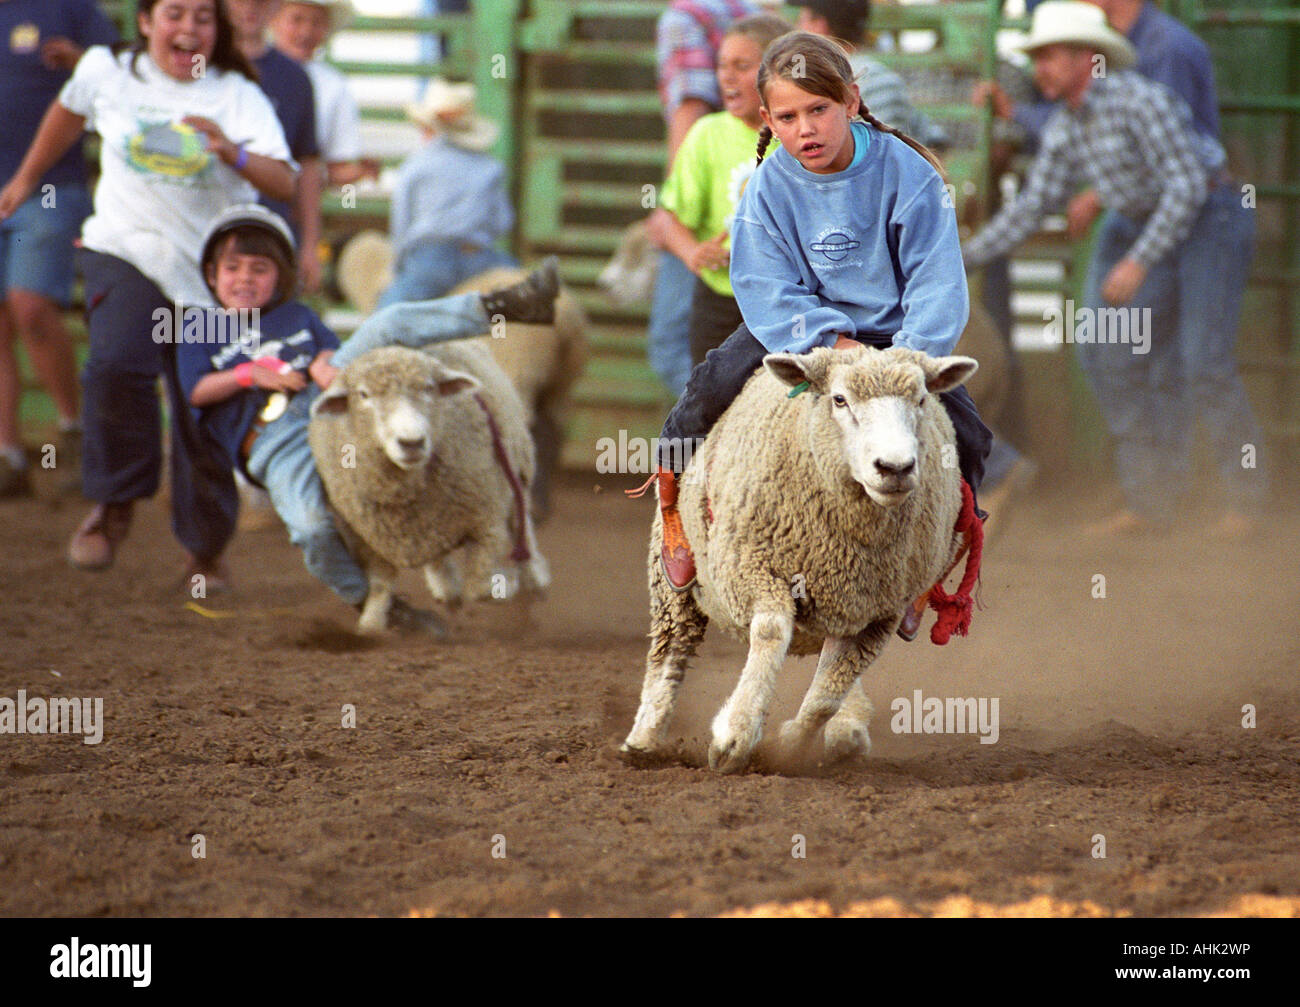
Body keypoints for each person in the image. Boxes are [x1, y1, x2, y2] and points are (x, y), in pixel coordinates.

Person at [642, 32, 990, 642]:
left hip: (895, 337)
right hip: (805, 328)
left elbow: (936, 275)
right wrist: (829, 341)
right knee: (711, 382)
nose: (806, 128)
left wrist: (906, 356)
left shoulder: (908, 174)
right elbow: (764, 282)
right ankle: (672, 504)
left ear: (851, 102)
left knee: (970, 437)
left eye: (818, 110)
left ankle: (929, 564)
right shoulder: (770, 186)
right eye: (788, 116)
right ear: (769, 120)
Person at [0, 0, 296, 577]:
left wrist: (230, 150)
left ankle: (205, 549)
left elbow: (282, 177)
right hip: (125, 247)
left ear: (218, 31)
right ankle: (113, 504)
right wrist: (27, 178)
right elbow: (65, 113)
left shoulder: (237, 94)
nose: (187, 28)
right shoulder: (107, 71)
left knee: (201, 406)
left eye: (202, 18)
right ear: (145, 22)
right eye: (174, 14)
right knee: (115, 362)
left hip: (211, 276)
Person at [177, 204, 559, 630]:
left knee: (387, 321)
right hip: (272, 438)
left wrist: (324, 361)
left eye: (259, 268)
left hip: (331, 406)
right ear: (212, 275)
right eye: (232, 268)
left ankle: (505, 306)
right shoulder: (201, 327)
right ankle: (377, 603)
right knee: (311, 527)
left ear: (280, 276)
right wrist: (248, 373)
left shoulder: (296, 316)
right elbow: (195, 389)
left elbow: (326, 350)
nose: (245, 278)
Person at [962, 2, 1263, 538]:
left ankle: (1246, 500)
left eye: (1050, 56)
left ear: (1087, 58)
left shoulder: (1135, 100)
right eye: (1037, 58)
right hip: (1153, 224)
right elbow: (1031, 208)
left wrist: (1137, 260)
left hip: (1210, 221)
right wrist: (958, 259)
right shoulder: (1069, 125)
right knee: (1108, 351)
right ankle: (1152, 501)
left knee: (1203, 361)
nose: (1040, 69)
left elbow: (1190, 183)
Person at [0, 0, 117, 497]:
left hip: (49, 187)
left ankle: (72, 433)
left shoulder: (77, 10)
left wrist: (80, 58)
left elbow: (122, 74)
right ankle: (10, 456)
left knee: (31, 307)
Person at [649, 14, 789, 365]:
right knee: (710, 404)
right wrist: (692, 253)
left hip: (787, 303)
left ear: (778, 72)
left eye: (742, 66)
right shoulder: (707, 134)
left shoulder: (797, 136)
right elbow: (670, 219)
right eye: (721, 65)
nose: (726, 76)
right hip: (718, 301)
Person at [376, 78, 516, 308]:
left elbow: (401, 224)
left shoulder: (416, 165)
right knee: (520, 284)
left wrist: (397, 266)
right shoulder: (490, 167)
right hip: (479, 259)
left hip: (429, 260)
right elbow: (503, 222)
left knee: (385, 319)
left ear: (429, 128)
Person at [227, 0, 324, 293]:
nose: (251, 8)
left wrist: (310, 245)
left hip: (271, 232)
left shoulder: (294, 77)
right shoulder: (201, 69)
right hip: (208, 228)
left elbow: (307, 164)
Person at [793, 0, 945, 148]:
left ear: (820, 25)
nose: (798, 28)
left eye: (802, 21)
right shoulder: (876, 74)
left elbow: (885, 153)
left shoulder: (870, 78)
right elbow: (933, 137)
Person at [270, 0, 379, 187]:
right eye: (297, 20)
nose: (306, 32)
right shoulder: (250, 71)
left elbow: (338, 165)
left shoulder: (333, 85)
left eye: (316, 22)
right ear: (274, 19)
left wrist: (356, 175)